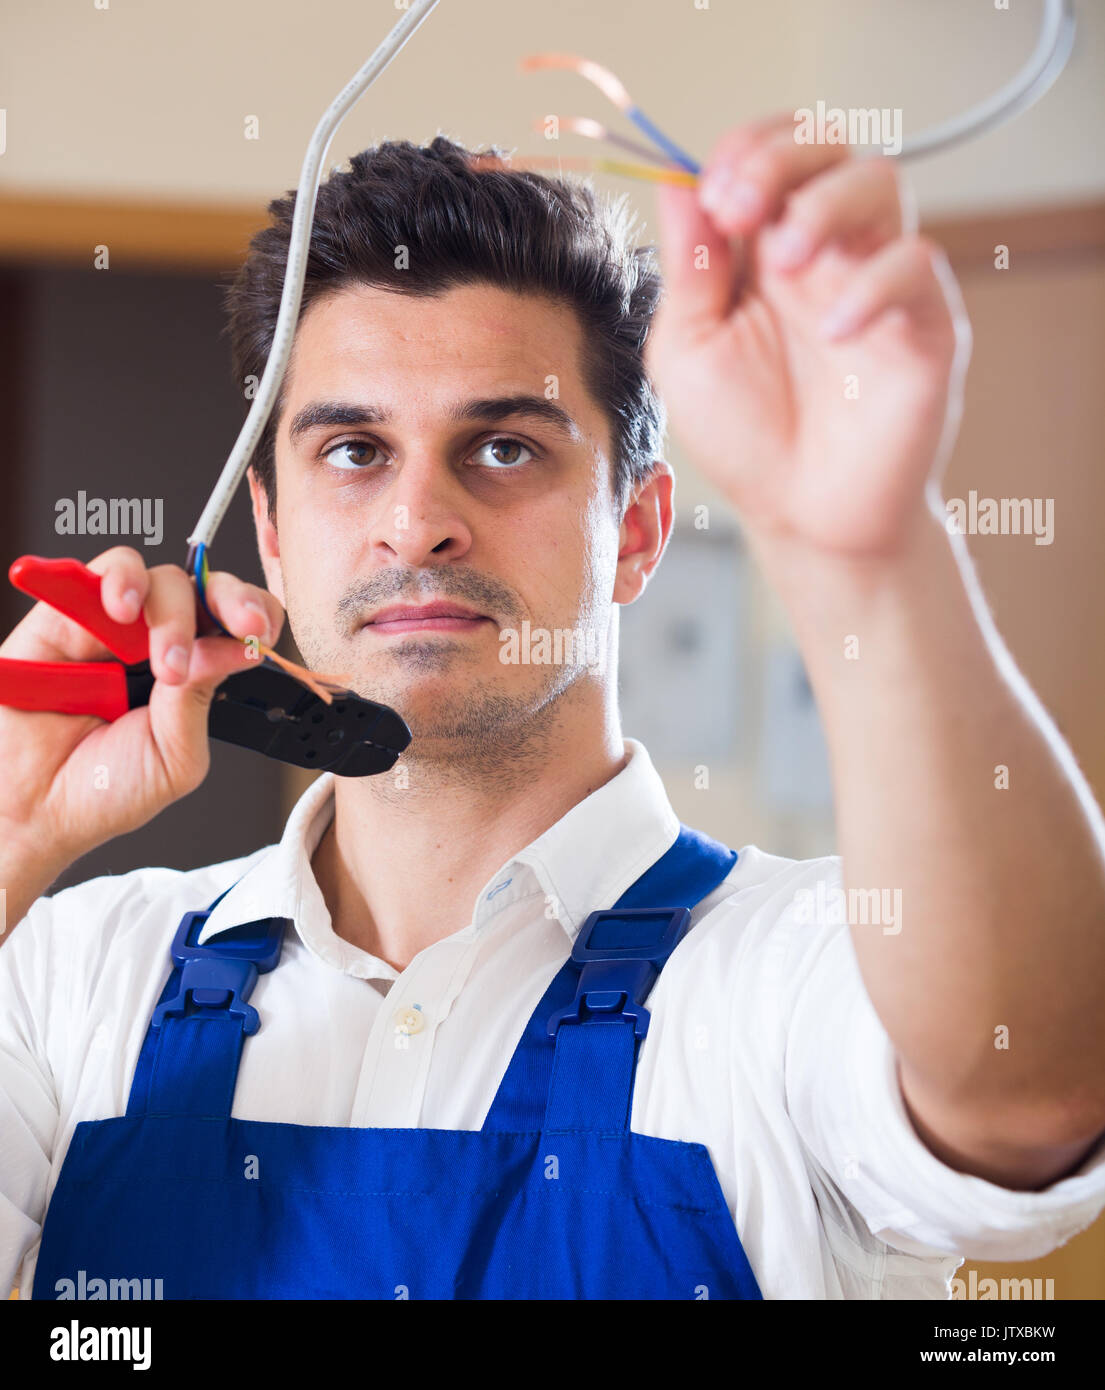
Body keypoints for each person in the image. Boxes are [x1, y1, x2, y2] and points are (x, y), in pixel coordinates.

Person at [2, 129, 1104, 1301]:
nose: (417, 519)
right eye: (355, 449)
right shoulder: (68, 976)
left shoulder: (789, 979)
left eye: (503, 446)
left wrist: (872, 551)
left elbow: (1034, 1094)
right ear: (271, 530)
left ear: (633, 529)